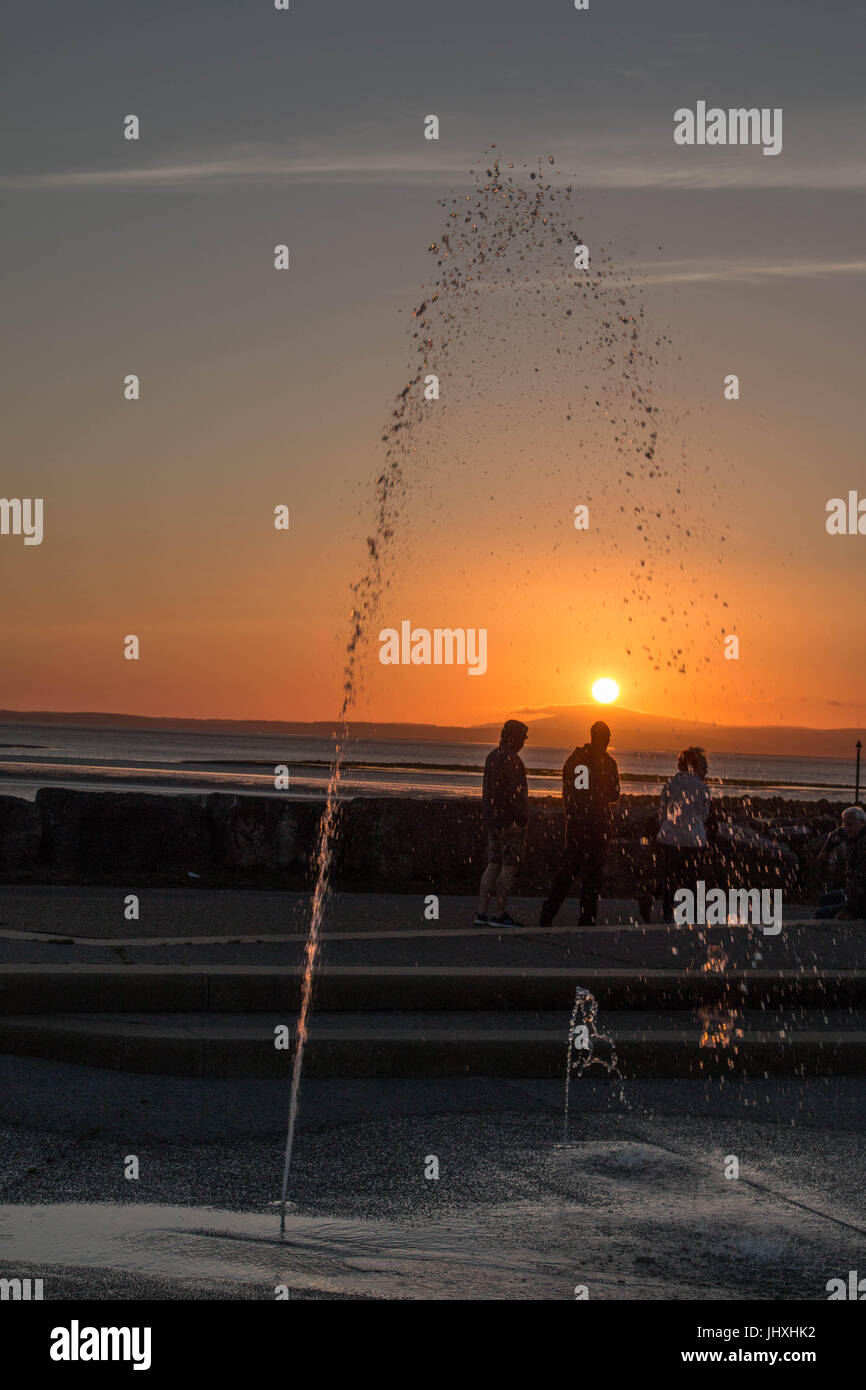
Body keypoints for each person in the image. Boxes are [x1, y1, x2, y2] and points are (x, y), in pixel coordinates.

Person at [539, 721, 620, 927]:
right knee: (592, 872)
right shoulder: (607, 763)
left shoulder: (576, 759)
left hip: (578, 822)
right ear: (606, 738)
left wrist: (574, 810)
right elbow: (613, 794)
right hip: (597, 823)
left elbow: (573, 789)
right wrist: (599, 792)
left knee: (569, 870)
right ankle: (587, 916)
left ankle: (549, 912)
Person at [639, 746, 714, 923]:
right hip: (694, 839)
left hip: (670, 836)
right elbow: (704, 813)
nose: (706, 773)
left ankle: (665, 912)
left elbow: (663, 810)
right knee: (691, 878)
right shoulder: (703, 788)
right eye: (704, 769)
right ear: (696, 767)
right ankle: (690, 914)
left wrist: (668, 823)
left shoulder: (671, 783)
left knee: (669, 877)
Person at [477, 719, 530, 928]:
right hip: (510, 823)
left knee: (493, 863)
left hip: (494, 821)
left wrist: (490, 816)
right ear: (514, 737)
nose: (524, 742)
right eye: (523, 737)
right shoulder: (513, 761)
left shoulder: (492, 757)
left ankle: (481, 911)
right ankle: (499, 914)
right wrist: (521, 818)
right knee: (509, 865)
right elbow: (516, 796)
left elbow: (488, 791)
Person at [815, 806, 866, 919]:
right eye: (845, 824)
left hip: (861, 899)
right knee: (824, 899)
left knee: (821, 913)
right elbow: (838, 833)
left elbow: (860, 880)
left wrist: (848, 910)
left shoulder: (863, 845)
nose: (846, 828)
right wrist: (825, 852)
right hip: (850, 891)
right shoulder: (853, 833)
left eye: (850, 825)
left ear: (862, 823)